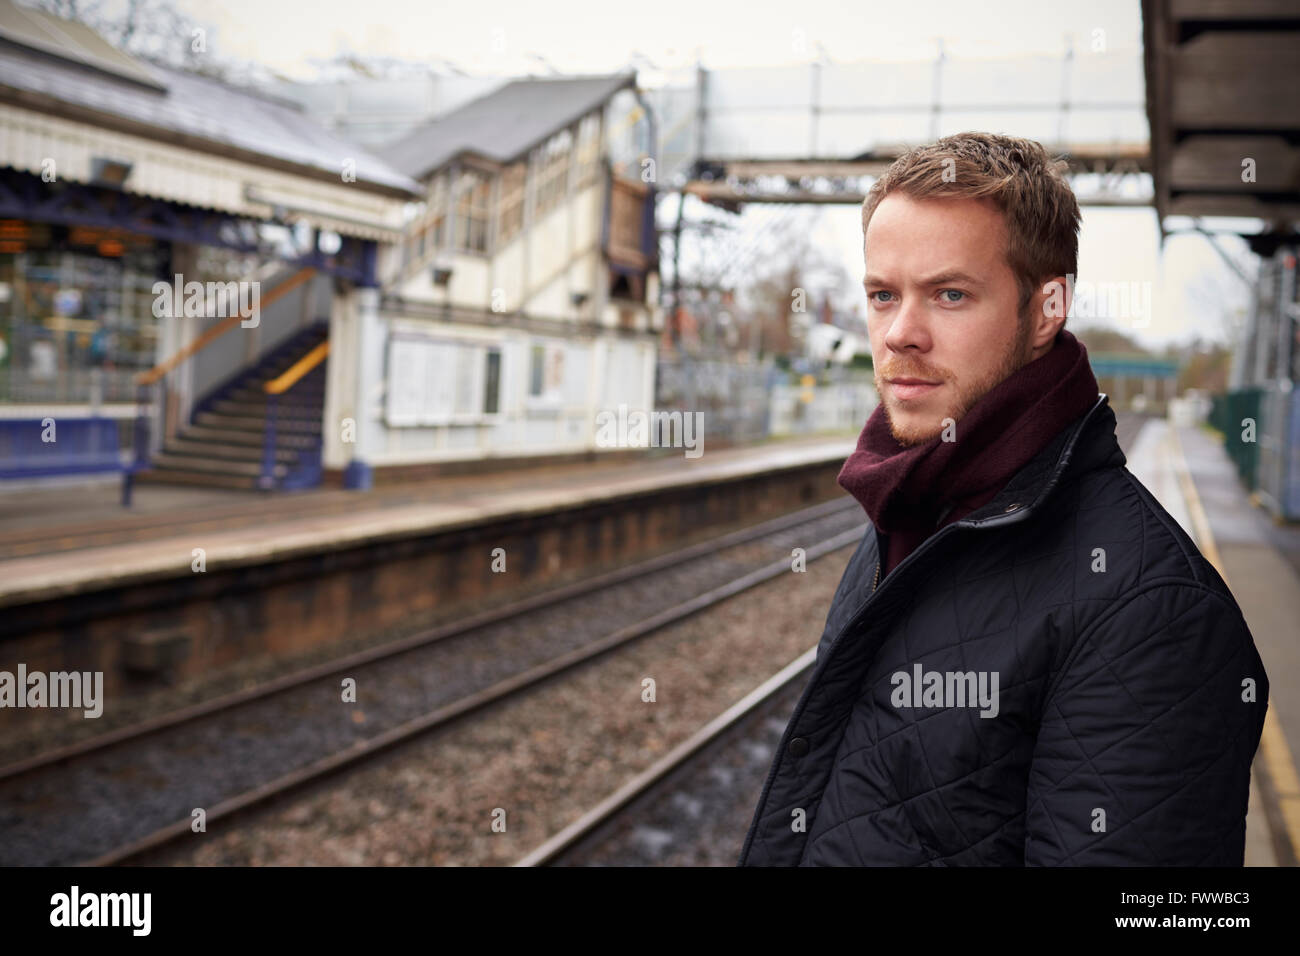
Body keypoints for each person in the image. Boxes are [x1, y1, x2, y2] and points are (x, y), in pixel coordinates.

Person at [738, 131, 1269, 866]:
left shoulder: (1153, 611)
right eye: (882, 295)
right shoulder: (910, 506)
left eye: (950, 294)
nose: (900, 334)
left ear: (1048, 307)